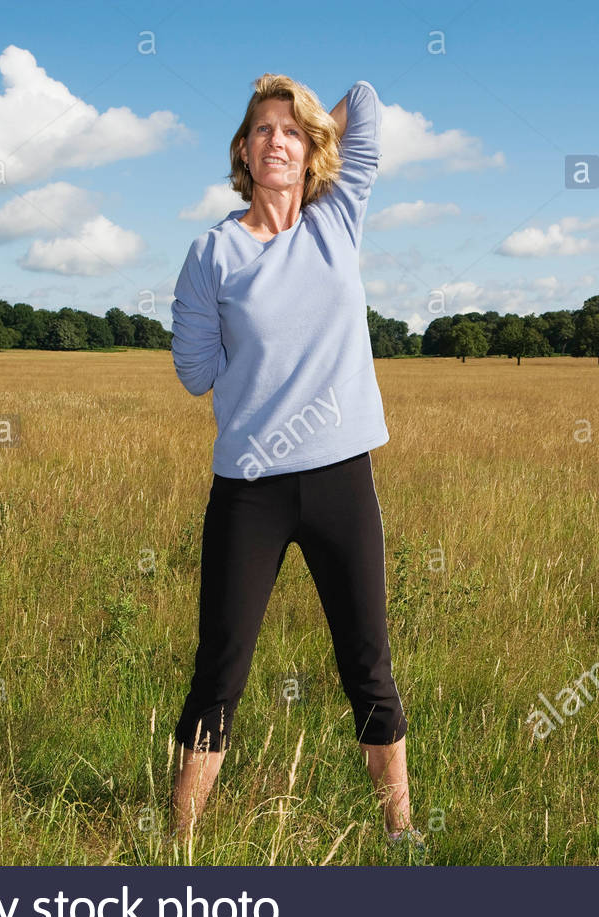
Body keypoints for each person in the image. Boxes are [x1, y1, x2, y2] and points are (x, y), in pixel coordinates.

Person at [167, 73, 420, 857]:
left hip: (342, 477)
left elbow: (367, 99)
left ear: (312, 150)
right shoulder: (213, 251)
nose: (275, 141)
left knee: (369, 666)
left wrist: (311, 121)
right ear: (241, 152)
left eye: (291, 131)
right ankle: (175, 843)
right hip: (250, 491)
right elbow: (193, 372)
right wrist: (211, 322)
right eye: (261, 130)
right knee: (220, 669)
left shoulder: (336, 219)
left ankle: (402, 835)